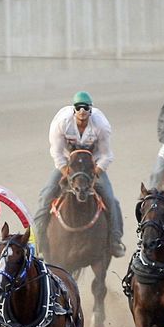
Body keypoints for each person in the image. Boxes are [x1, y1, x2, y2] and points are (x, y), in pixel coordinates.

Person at [33, 91, 126, 258]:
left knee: (111, 199)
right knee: (46, 194)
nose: (82, 111)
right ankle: (39, 241)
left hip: (93, 164)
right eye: (78, 107)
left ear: (91, 110)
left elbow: (107, 155)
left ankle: (114, 240)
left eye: (86, 108)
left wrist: (96, 173)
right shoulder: (61, 122)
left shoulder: (101, 125)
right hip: (70, 164)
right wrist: (65, 171)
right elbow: (56, 152)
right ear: (73, 110)